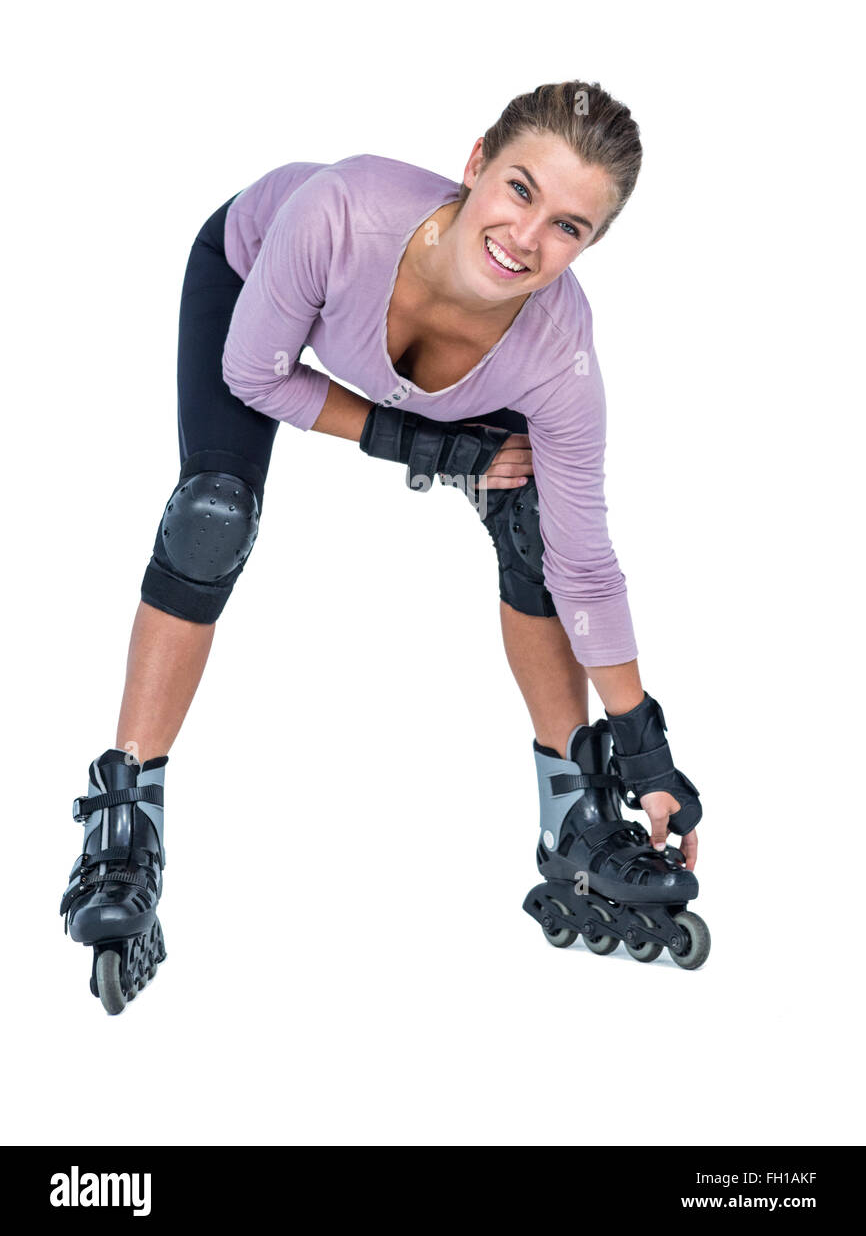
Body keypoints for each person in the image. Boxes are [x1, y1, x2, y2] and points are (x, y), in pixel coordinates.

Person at [60, 80, 706, 1011]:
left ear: (590, 247)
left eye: (568, 227)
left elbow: (586, 561)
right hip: (252, 287)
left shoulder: (557, 355)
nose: (527, 238)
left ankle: (578, 816)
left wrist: (646, 750)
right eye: (521, 189)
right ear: (477, 160)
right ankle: (125, 819)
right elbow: (254, 373)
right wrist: (414, 440)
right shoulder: (342, 214)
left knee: (534, 533)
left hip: (444, 390)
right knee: (212, 515)